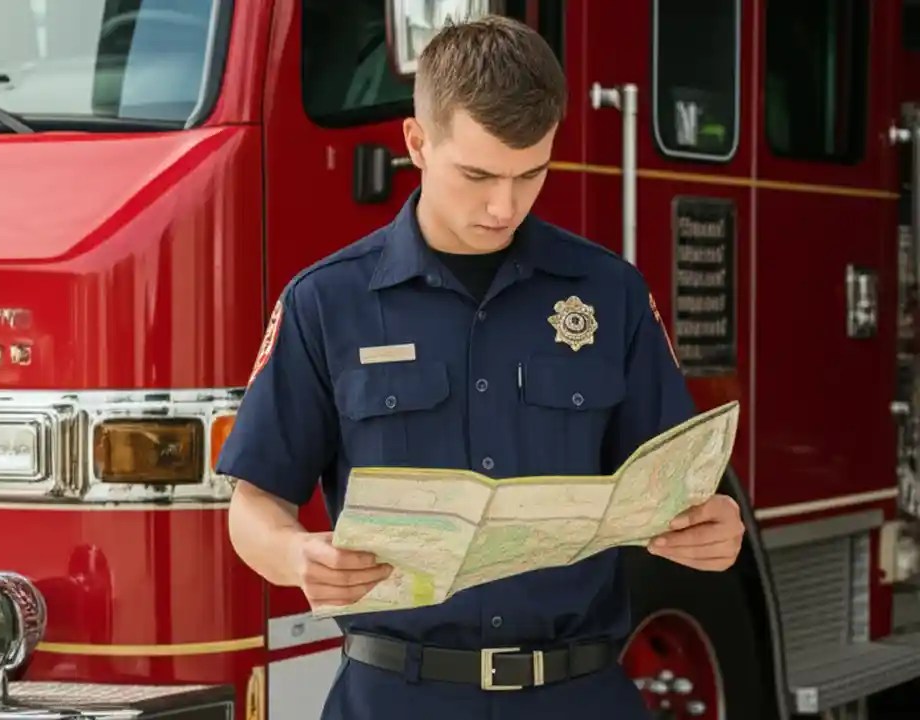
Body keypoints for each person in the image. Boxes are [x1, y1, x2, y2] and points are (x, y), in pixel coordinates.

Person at [214, 14, 745, 720]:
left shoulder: (609, 295)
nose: (505, 206)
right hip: (393, 697)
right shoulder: (326, 303)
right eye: (478, 174)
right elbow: (253, 506)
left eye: (532, 174)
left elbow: (675, 484)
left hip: (580, 696)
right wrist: (294, 557)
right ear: (416, 142)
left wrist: (715, 528)